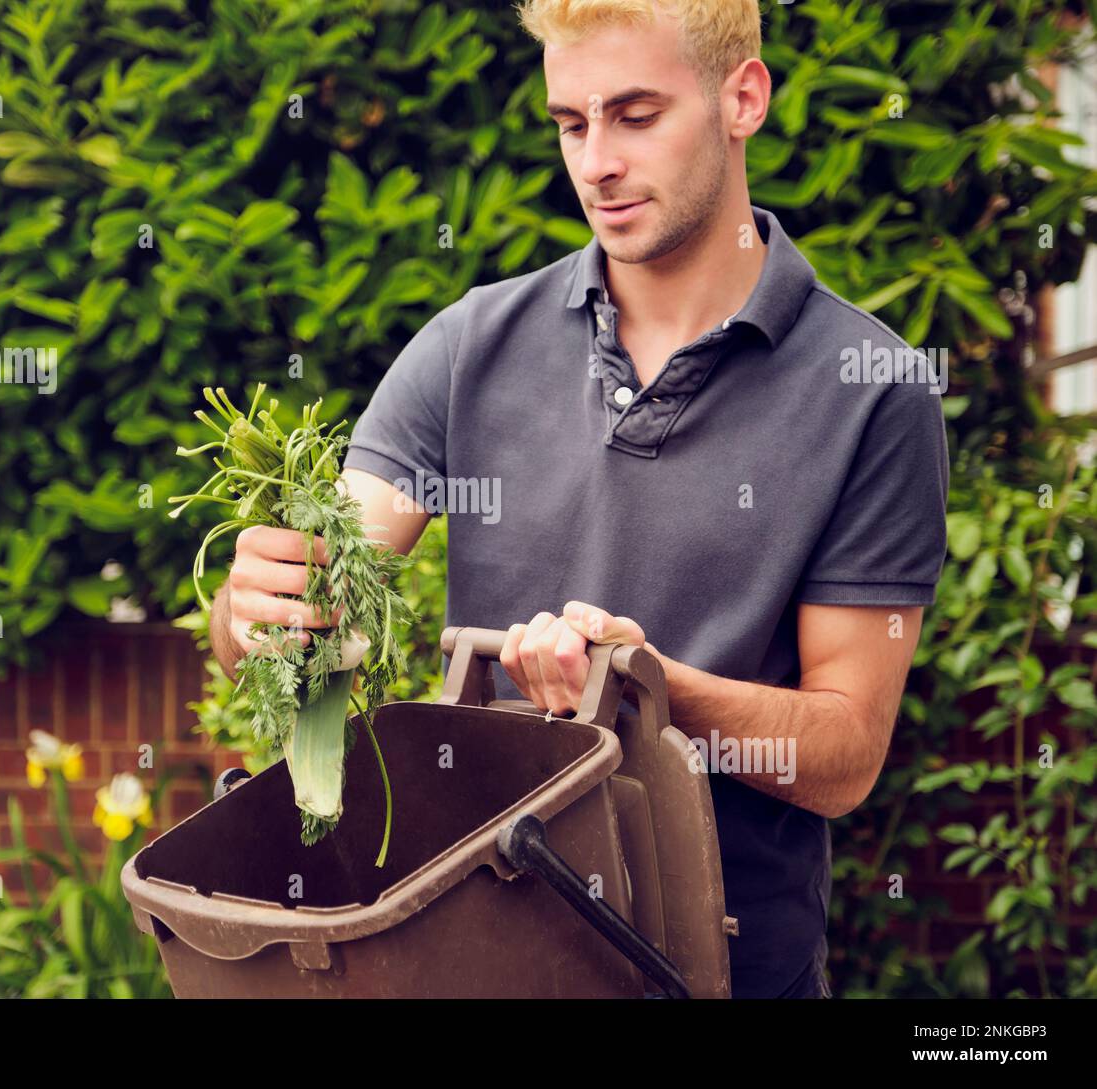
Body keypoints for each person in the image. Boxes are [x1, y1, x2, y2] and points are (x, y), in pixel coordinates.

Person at [210, 0, 949, 999]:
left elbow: (843, 754)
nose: (595, 162)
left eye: (636, 115)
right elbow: (316, 628)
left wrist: (641, 687)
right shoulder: (468, 348)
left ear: (742, 98)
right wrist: (258, 612)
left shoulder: (871, 390)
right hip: (473, 966)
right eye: (571, 122)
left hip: (726, 978)